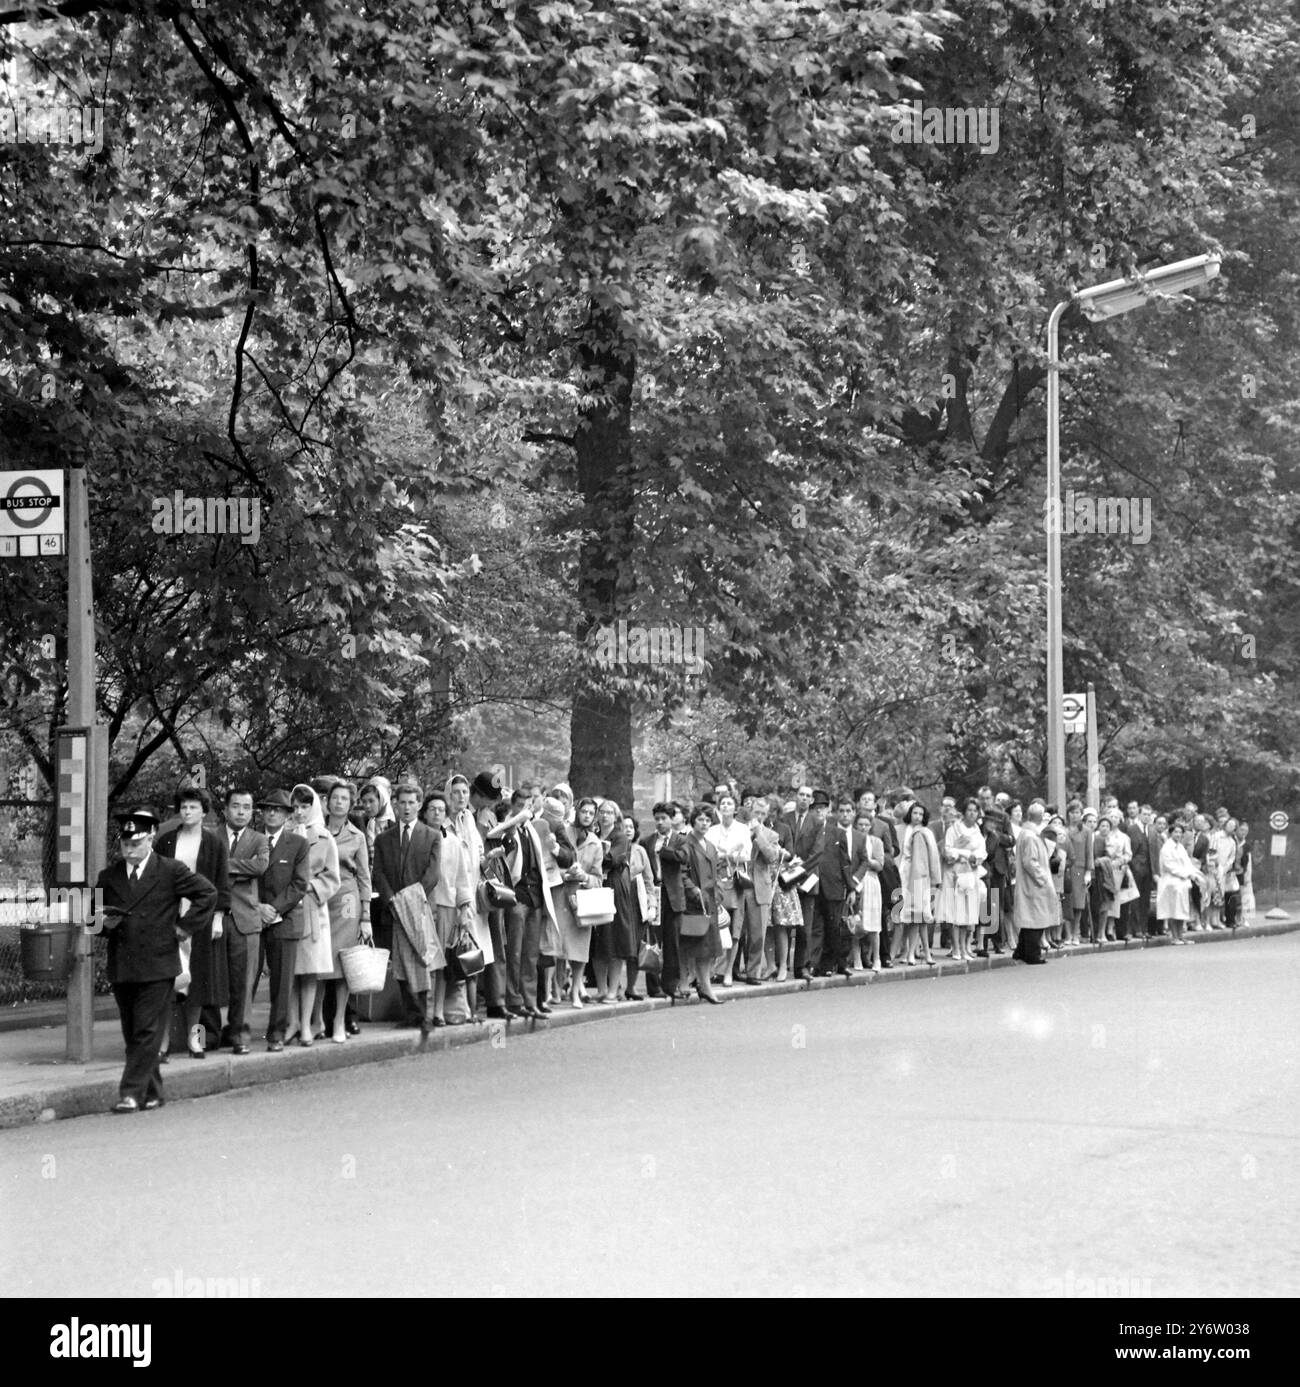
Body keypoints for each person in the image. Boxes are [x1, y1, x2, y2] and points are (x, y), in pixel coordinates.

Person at [95, 807, 218, 1112]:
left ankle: (130, 1093)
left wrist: (184, 928)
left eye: (135, 843)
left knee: (147, 1030)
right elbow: (92, 918)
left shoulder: (170, 870)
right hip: (123, 964)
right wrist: (102, 925)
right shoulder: (108, 876)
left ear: (150, 838)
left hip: (159, 963)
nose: (129, 849)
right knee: (132, 1031)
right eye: (124, 844)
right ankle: (154, 1092)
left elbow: (208, 894)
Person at [153, 784, 230, 1059]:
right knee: (168, 981)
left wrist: (218, 917)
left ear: (203, 811)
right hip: (171, 916)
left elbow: (221, 883)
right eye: (183, 807)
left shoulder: (214, 843)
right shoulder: (166, 841)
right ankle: (162, 1044)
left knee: (197, 983)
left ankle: (194, 1040)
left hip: (201, 916)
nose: (187, 812)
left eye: (193, 807)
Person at [372, 781, 441, 1032]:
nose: (407, 807)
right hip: (394, 909)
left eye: (412, 802)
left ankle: (425, 1015)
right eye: (402, 802)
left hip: (419, 907)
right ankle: (410, 1013)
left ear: (419, 805)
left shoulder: (432, 836)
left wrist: (411, 899)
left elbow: (432, 874)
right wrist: (392, 900)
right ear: (395, 804)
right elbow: (378, 872)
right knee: (400, 961)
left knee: (422, 959)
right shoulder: (383, 839)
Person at [256, 790, 311, 1051]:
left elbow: (300, 884)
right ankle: (238, 1031)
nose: (272, 813)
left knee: (281, 981)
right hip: (253, 918)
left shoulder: (298, 844)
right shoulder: (252, 840)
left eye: (278, 809)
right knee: (247, 978)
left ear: (288, 815)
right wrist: (257, 908)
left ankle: (276, 1033)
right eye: (267, 808)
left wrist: (273, 909)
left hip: (284, 920)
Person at [287, 784, 341, 1044]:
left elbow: (333, 877)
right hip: (287, 907)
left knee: (309, 969)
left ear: (313, 807)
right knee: (289, 969)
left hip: (312, 908)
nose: (299, 812)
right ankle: (292, 1022)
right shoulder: (283, 834)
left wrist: (311, 887)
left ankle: (308, 1024)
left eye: (304, 806)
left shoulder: (323, 836)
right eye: (295, 807)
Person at [320, 780, 372, 1042]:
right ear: (327, 802)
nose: (339, 802)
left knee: (343, 961)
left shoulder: (357, 836)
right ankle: (317, 1020)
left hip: (347, 900)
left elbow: (364, 877)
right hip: (319, 898)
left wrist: (366, 917)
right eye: (335, 798)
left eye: (344, 799)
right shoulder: (315, 831)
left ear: (351, 805)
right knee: (318, 960)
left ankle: (340, 1019)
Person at [218, 787, 268, 1054]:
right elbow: (205, 869)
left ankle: (241, 1035)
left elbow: (260, 867)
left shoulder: (259, 839)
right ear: (225, 809)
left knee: (244, 981)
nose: (240, 811)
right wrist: (240, 865)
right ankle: (210, 1033)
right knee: (209, 979)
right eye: (236, 806)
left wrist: (224, 865)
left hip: (246, 918)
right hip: (214, 916)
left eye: (246, 807)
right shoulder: (211, 836)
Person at [669, 803, 724, 1003]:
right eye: (701, 819)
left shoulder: (710, 846)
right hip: (692, 902)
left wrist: (718, 893)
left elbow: (717, 872)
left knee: (708, 948)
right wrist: (693, 889)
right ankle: (685, 982)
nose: (704, 823)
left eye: (708, 820)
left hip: (709, 902)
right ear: (693, 821)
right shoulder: (686, 842)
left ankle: (704, 985)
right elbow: (681, 873)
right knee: (690, 944)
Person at [593, 798, 639, 1001]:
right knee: (597, 940)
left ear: (616, 816)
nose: (604, 816)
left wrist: (595, 857)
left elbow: (613, 859)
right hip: (595, 885)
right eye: (601, 811)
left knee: (614, 938)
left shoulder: (620, 837)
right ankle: (601, 988)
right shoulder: (593, 835)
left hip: (614, 887)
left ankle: (613, 988)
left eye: (609, 812)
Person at [705, 790, 750, 987]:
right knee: (716, 925)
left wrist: (730, 855)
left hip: (734, 882)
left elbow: (747, 854)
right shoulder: (712, 830)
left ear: (735, 808)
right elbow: (708, 852)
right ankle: (714, 969)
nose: (725, 807)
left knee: (734, 928)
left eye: (729, 804)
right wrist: (721, 855)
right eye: (722, 803)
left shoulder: (742, 829)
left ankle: (729, 971)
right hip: (716, 881)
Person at [738, 793, 782, 983]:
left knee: (757, 933)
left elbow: (771, 857)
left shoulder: (771, 835)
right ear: (750, 811)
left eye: (763, 813)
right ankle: (729, 970)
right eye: (757, 812)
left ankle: (753, 971)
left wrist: (758, 832)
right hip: (739, 885)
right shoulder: (738, 829)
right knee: (736, 932)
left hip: (759, 886)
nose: (759, 816)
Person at [939, 798, 986, 962]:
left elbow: (982, 851)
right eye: (969, 810)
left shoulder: (977, 831)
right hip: (956, 872)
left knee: (969, 912)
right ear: (964, 812)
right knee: (956, 912)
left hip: (970, 872)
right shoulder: (954, 829)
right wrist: (964, 853)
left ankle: (966, 946)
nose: (972, 813)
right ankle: (956, 947)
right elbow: (949, 850)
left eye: (975, 810)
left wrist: (975, 858)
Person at [897, 801, 940, 966]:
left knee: (919, 916)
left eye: (921, 814)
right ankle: (915, 953)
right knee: (917, 917)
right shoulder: (912, 831)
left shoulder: (921, 833)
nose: (917, 817)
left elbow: (923, 861)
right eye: (915, 813)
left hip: (919, 877)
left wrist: (931, 881)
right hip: (910, 875)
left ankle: (917, 953)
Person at [1011, 802, 1055, 964]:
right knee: (1035, 920)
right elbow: (1030, 861)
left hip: (1032, 883)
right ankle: (1032, 953)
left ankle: (1021, 951)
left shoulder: (1028, 833)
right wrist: (1042, 878)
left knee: (1031, 919)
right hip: (1034, 884)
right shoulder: (1030, 835)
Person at [626, 814, 658, 998]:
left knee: (635, 946)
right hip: (618, 900)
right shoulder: (611, 847)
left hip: (637, 901)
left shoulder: (640, 851)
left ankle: (631, 986)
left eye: (631, 826)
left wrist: (652, 905)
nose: (628, 829)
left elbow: (648, 880)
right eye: (624, 826)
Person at [1157, 823, 1196, 943]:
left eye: (1180, 832)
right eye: (1175, 832)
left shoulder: (1180, 847)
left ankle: (1180, 935)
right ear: (1170, 833)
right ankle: (1174, 936)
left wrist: (1191, 873)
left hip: (1182, 882)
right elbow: (1170, 866)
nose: (1178, 834)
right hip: (1171, 882)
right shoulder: (1166, 848)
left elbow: (1187, 863)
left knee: (1181, 910)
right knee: (1172, 910)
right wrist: (1185, 874)